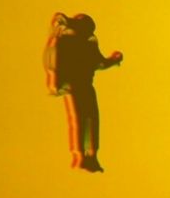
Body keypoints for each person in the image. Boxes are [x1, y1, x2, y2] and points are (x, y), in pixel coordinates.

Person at [44, 13, 124, 172]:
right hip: (78, 86)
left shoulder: (80, 42)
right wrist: (114, 60)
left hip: (82, 85)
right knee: (86, 120)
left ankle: (89, 157)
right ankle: (85, 157)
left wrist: (113, 60)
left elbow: (98, 63)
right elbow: (98, 63)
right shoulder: (70, 42)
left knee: (89, 120)